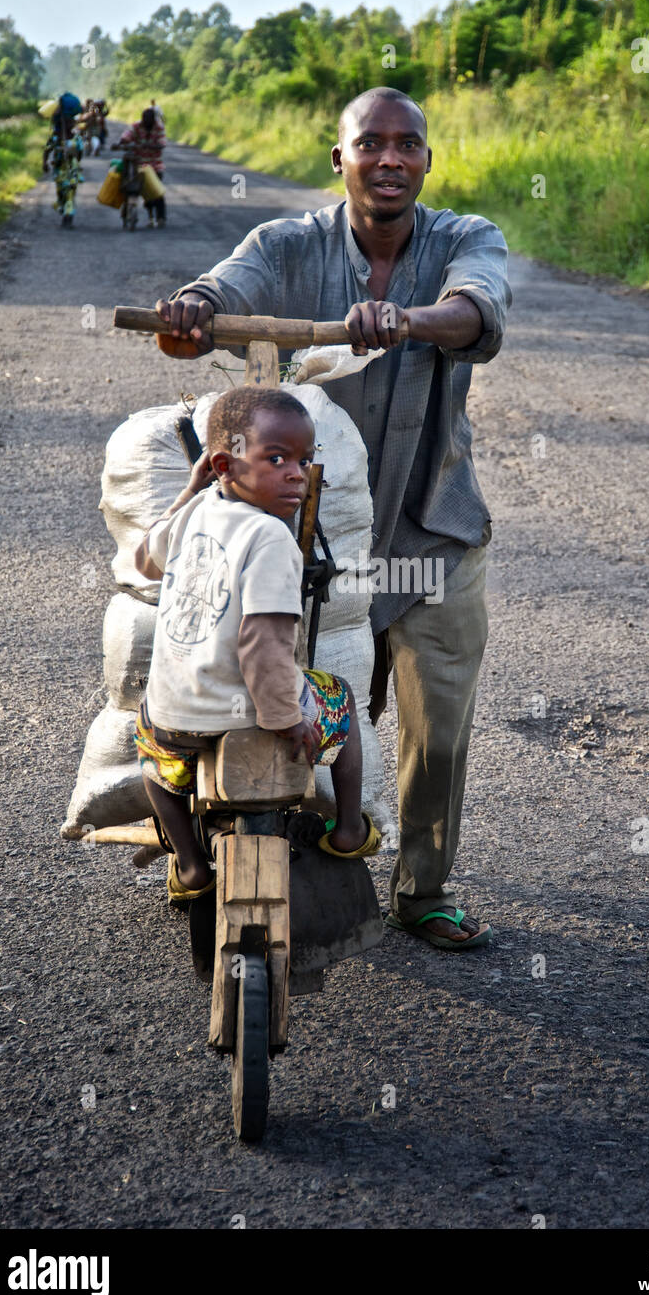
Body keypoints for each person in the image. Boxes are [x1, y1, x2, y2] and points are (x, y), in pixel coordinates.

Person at [152, 86, 510, 948]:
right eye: (371, 144)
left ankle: (422, 887)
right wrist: (194, 309)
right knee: (237, 679)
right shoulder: (286, 243)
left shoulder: (466, 237)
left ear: (427, 161)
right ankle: (208, 840)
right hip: (297, 539)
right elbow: (225, 285)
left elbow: (477, 311)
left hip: (430, 529)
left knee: (439, 724)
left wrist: (408, 320)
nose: (390, 159)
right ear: (339, 158)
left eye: (408, 146)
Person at [132, 385, 382, 903]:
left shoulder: (195, 514)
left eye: (304, 459)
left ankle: (191, 864)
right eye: (276, 458)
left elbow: (144, 561)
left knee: (150, 756)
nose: (297, 472)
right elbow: (264, 644)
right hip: (248, 714)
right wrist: (287, 718)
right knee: (341, 696)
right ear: (224, 463)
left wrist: (190, 490)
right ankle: (351, 830)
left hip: (175, 716)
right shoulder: (271, 539)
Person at [113, 106, 166, 228]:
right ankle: (127, 207)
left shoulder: (159, 128)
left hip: (154, 164)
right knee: (126, 181)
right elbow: (127, 134)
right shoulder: (136, 126)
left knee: (156, 191)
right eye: (144, 120)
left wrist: (150, 145)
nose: (146, 123)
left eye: (149, 121)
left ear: (153, 120)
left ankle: (161, 217)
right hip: (137, 163)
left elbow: (162, 143)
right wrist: (122, 142)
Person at [42, 94, 84, 227]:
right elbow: (47, 149)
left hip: (72, 169)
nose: (70, 124)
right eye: (67, 122)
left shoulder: (76, 137)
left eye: (71, 122)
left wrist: (76, 160)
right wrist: (45, 162)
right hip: (59, 169)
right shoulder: (56, 137)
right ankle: (64, 208)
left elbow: (80, 151)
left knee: (70, 192)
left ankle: (69, 215)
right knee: (61, 192)